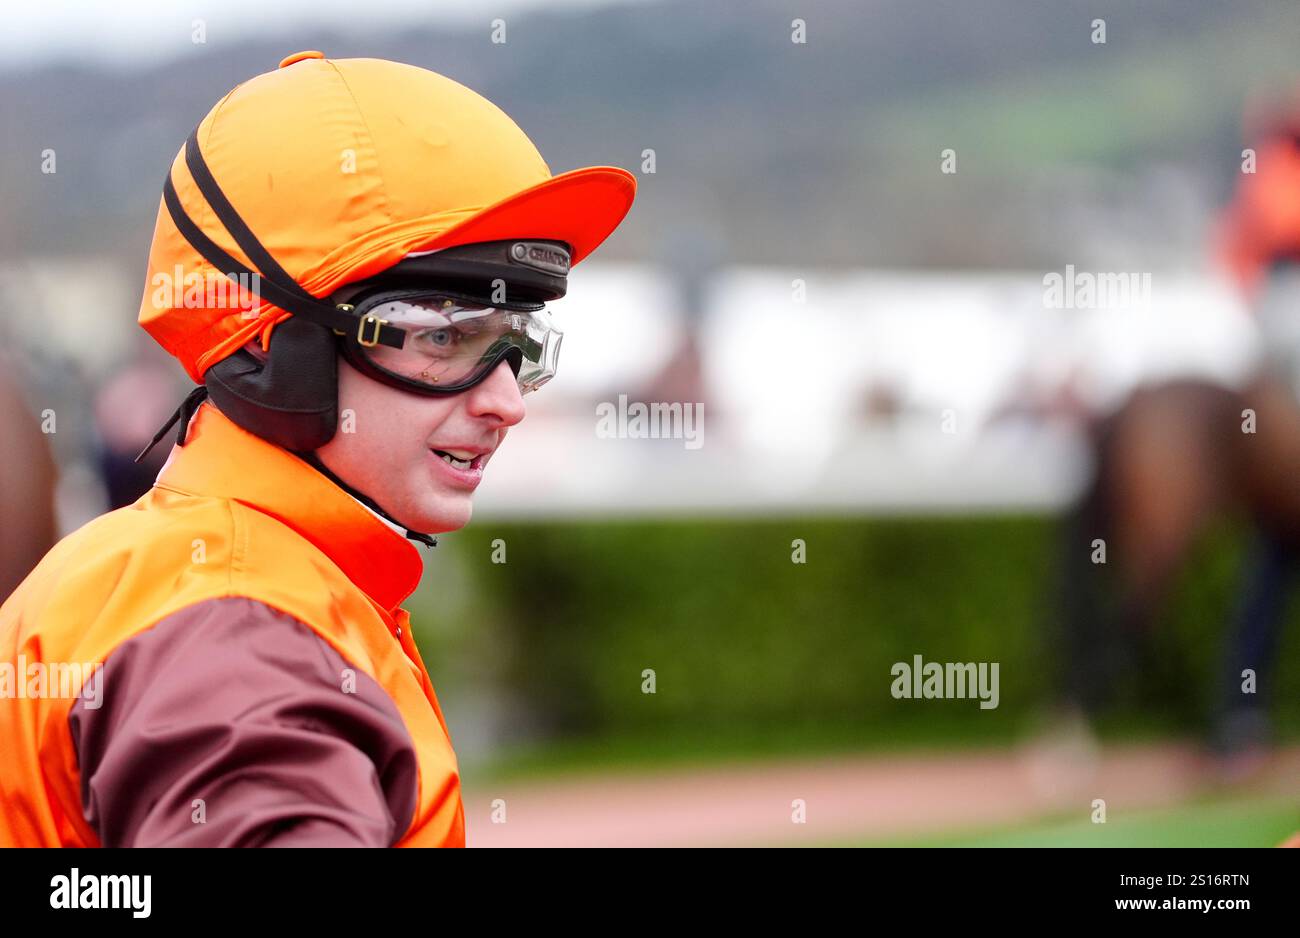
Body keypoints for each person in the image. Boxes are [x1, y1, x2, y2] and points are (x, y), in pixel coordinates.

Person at [0, 51, 635, 847]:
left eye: (518, 345)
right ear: (276, 351)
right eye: (443, 335)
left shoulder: (197, 577)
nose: (506, 402)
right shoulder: (235, 640)